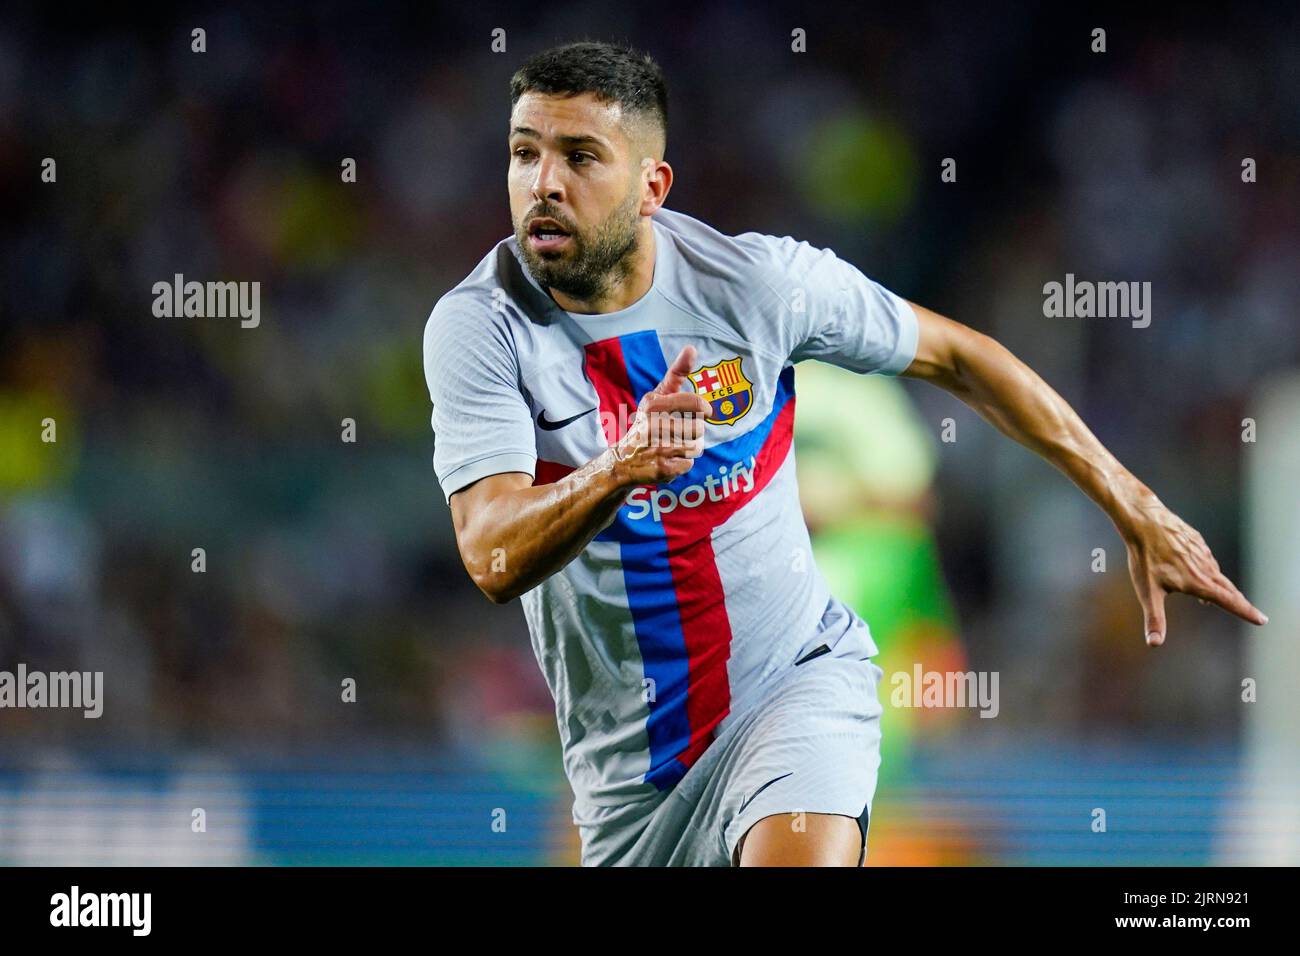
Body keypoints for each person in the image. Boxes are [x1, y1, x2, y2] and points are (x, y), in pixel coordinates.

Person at [421, 41, 1266, 866]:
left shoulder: (756, 288)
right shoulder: (479, 329)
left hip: (793, 690)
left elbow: (960, 356)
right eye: (524, 153)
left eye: (580, 156)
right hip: (627, 783)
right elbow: (492, 555)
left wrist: (1130, 500)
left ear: (652, 186)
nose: (545, 184)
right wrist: (620, 468)